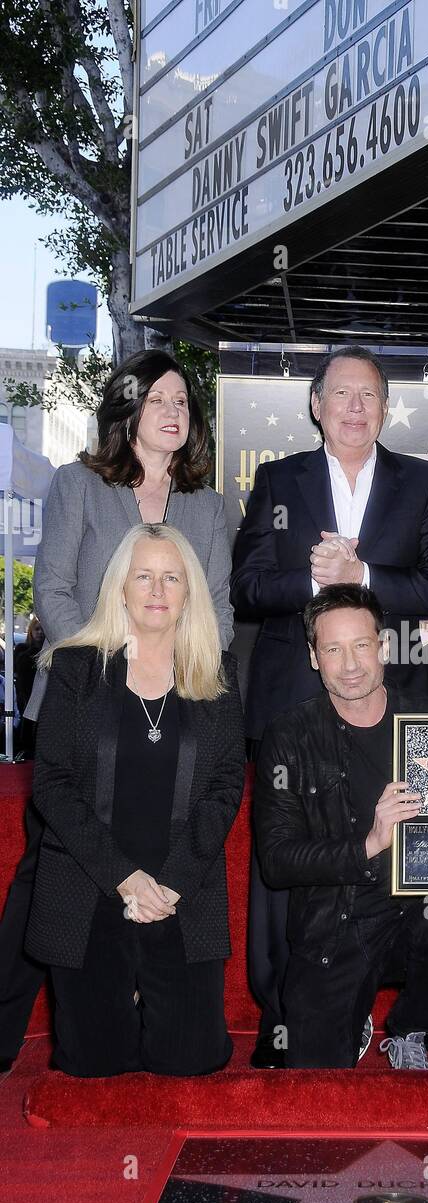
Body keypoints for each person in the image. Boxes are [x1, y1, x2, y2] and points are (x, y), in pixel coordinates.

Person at [0, 350, 234, 1072]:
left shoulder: (209, 502)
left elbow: (218, 606)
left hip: (181, 696)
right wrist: (107, 664)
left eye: (182, 403)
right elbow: (55, 592)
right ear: (125, 410)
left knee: (162, 837)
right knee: (51, 869)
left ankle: (149, 993)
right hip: (88, 698)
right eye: (156, 399)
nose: (171, 412)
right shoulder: (80, 484)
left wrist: (181, 660)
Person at [231, 347, 428, 1067]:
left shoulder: (423, 483)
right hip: (294, 696)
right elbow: (245, 586)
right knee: (288, 863)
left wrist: (361, 574)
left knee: (408, 856)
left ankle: (413, 1018)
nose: (354, 408)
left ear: (386, 408)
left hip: (385, 703)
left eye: (368, 396)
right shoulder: (277, 480)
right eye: (341, 395)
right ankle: (283, 1013)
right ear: (316, 406)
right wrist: (313, 579)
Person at [253, 584, 428, 1070]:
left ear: (386, 647)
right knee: (313, 1082)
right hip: (334, 926)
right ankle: (350, 1016)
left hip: (414, 912)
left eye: (361, 645)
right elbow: (276, 861)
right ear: (315, 658)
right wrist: (370, 843)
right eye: (332, 649)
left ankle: (411, 1024)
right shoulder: (288, 735)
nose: (350, 663)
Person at [24, 525, 245, 1077]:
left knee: (191, 1062)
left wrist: (169, 882)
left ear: (188, 590)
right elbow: (51, 782)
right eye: (142, 575)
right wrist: (125, 878)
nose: (156, 589)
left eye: (171, 577)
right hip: (89, 885)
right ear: (119, 587)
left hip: (181, 889)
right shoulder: (74, 667)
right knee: (94, 1065)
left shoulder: (216, 673)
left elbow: (225, 784)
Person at [13, 616, 44, 758]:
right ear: (31, 631)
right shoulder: (22, 650)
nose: (40, 633)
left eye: (42, 629)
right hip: (26, 696)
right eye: (37, 629)